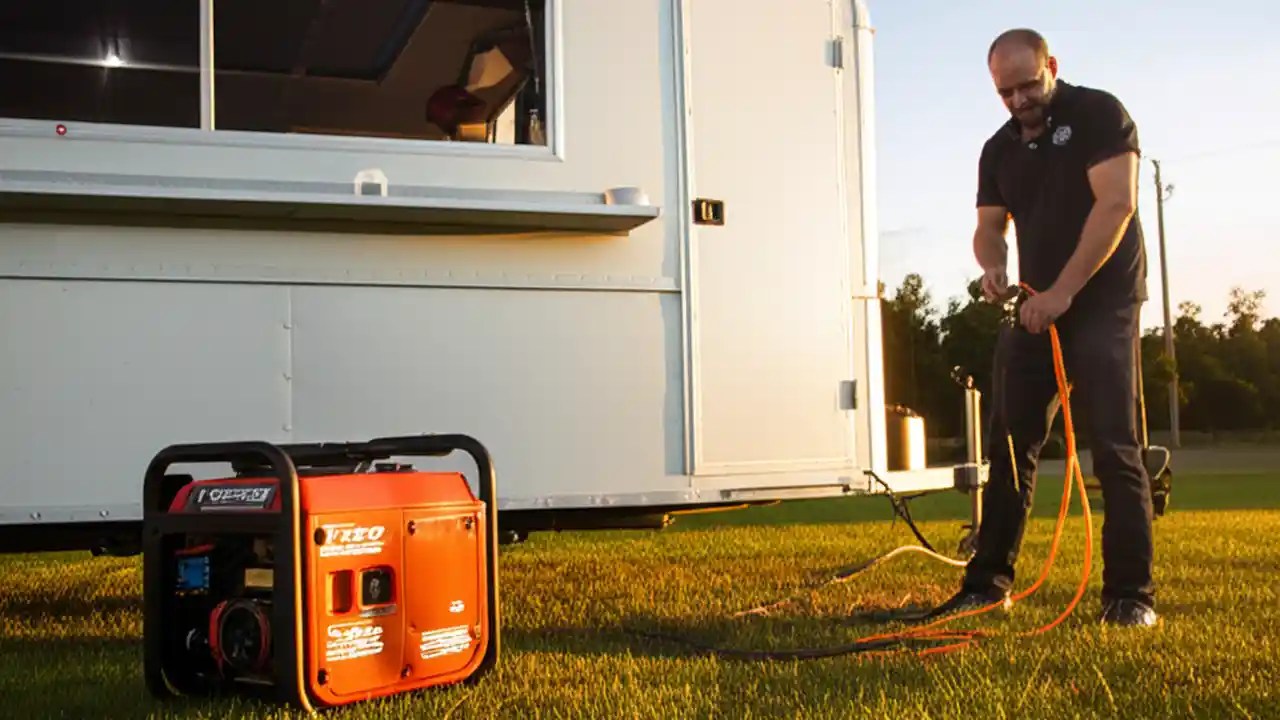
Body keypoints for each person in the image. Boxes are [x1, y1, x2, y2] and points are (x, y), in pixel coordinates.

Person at [929, 29, 1158, 627]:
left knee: (1114, 446)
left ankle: (1131, 595)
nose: (1019, 99)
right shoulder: (997, 148)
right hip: (1035, 307)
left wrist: (1064, 292)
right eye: (1006, 91)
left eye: (1029, 84)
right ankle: (987, 584)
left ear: (1052, 65)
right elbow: (987, 227)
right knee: (1009, 445)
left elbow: (1117, 205)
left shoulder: (1100, 114)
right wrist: (995, 265)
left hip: (1102, 302)